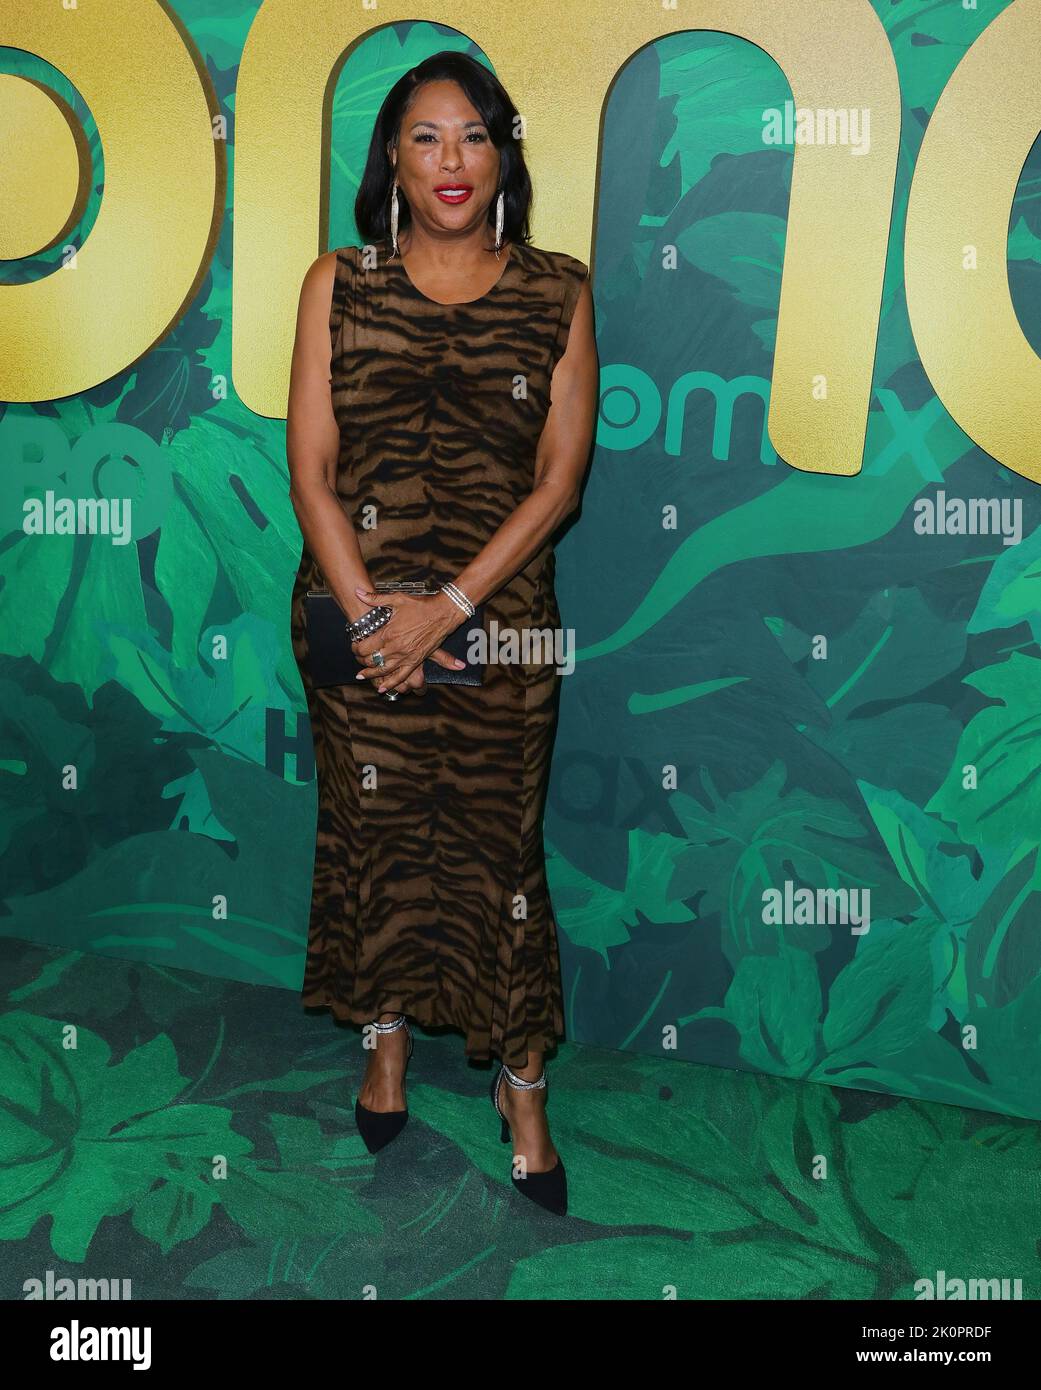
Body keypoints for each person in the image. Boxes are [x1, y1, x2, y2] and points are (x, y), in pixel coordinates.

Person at [287, 50, 597, 1216]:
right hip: (355, 616)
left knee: (499, 859)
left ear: (504, 151)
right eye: (426, 138)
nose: (451, 162)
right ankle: (386, 1046)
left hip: (500, 627)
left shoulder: (558, 290)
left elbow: (559, 484)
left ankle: (522, 1085)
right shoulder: (342, 281)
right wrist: (376, 616)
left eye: (473, 136)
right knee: (370, 835)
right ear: (393, 161)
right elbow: (311, 471)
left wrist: (451, 608)